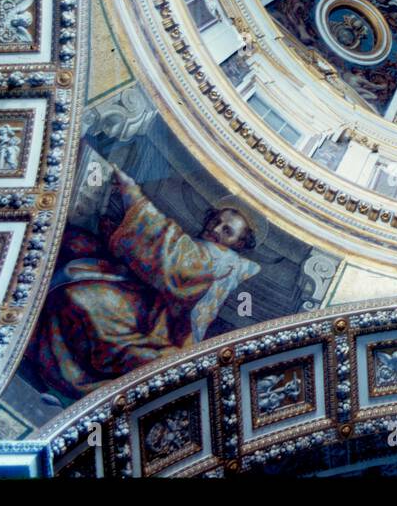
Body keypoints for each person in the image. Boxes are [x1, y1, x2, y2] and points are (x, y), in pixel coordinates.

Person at [33, 167, 260, 400]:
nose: (215, 229)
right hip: (150, 307)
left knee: (80, 298)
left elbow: (173, 257)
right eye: (216, 220)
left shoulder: (222, 260)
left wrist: (132, 195)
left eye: (227, 230)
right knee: (78, 258)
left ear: (239, 243)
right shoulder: (216, 257)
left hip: (163, 327)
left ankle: (68, 381)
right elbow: (161, 269)